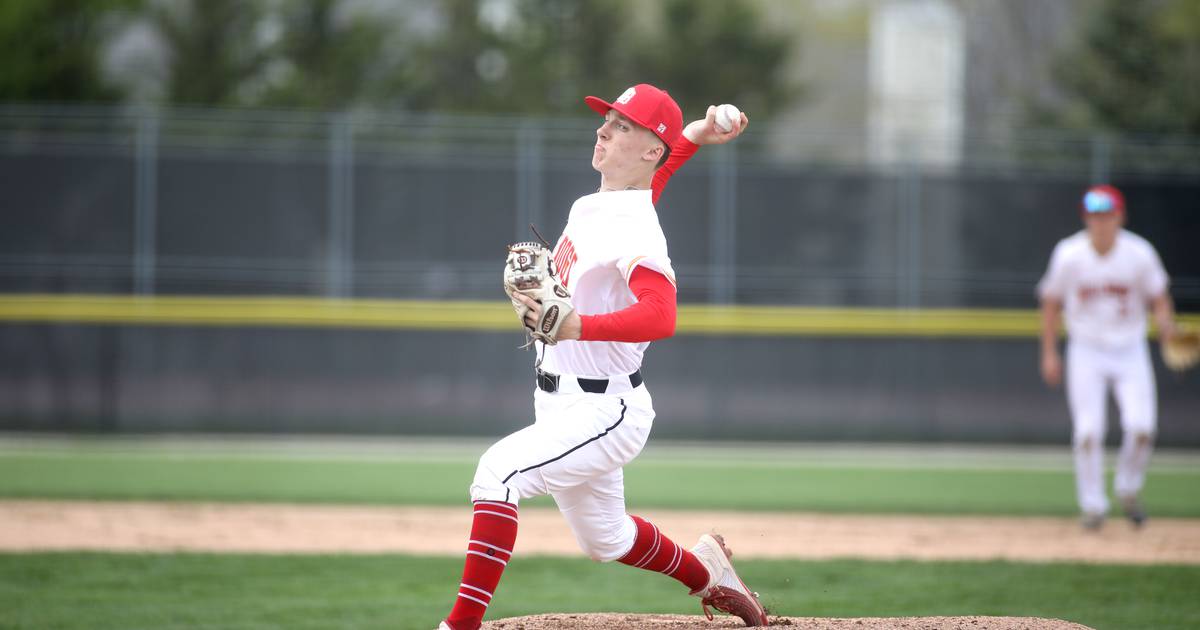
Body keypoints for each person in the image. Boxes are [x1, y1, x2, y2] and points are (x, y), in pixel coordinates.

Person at [437, 84, 766, 630]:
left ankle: (458, 626)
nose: (603, 130)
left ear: (648, 148)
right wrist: (694, 134)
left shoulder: (638, 230)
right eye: (608, 119)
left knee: (497, 474)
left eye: (621, 126)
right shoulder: (605, 201)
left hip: (606, 410)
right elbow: (655, 173)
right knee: (606, 539)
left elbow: (662, 315)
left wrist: (578, 326)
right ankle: (711, 574)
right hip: (558, 400)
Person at [1037, 184, 1180, 531]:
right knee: (1088, 431)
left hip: (1130, 349)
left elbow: (1159, 297)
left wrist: (1166, 326)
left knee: (1142, 427)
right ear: (1085, 218)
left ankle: (1128, 489)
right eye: (1094, 216)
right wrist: (1049, 353)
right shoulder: (1069, 254)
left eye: (1107, 215)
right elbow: (1051, 302)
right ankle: (1093, 506)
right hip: (1085, 350)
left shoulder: (1139, 253)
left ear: (1120, 217)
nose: (1100, 223)